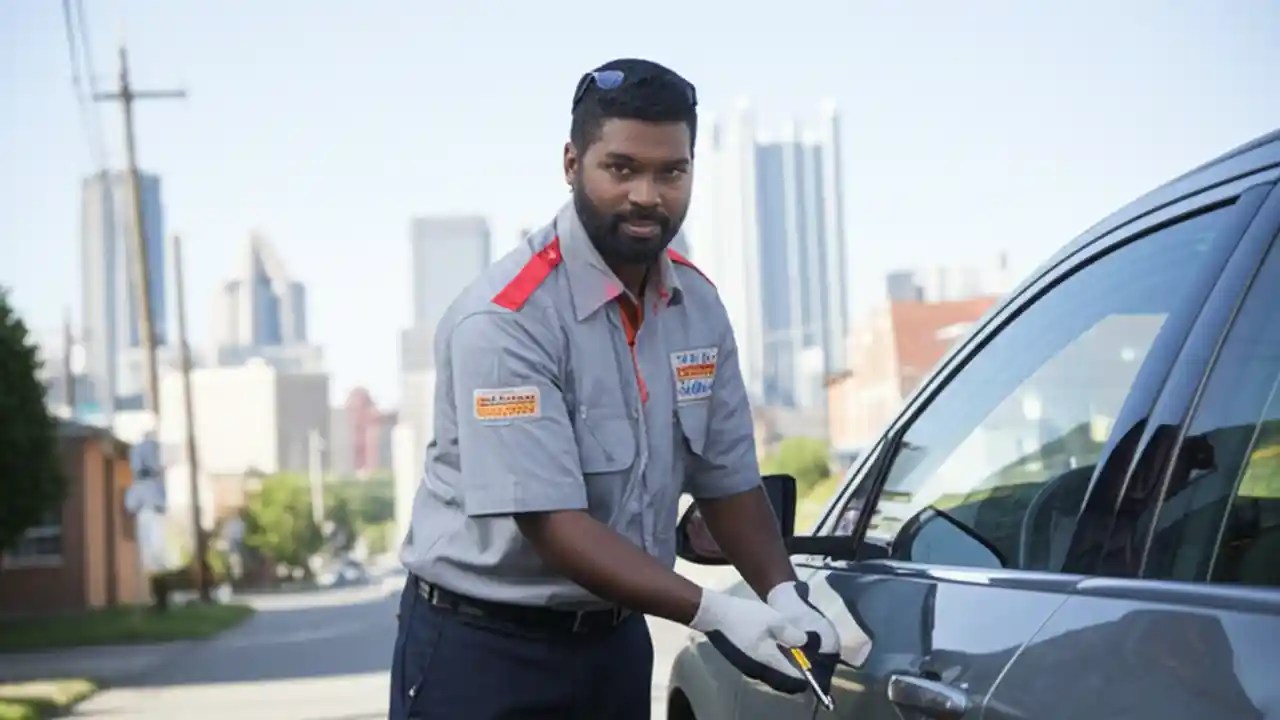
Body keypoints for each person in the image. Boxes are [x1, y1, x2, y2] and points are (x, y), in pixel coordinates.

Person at [389, 57, 840, 720]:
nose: (647, 195)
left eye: (671, 172)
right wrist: (714, 611)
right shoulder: (506, 320)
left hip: (615, 645)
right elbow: (554, 526)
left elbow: (728, 481)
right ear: (573, 164)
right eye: (621, 168)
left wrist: (782, 595)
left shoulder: (698, 307)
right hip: (483, 652)